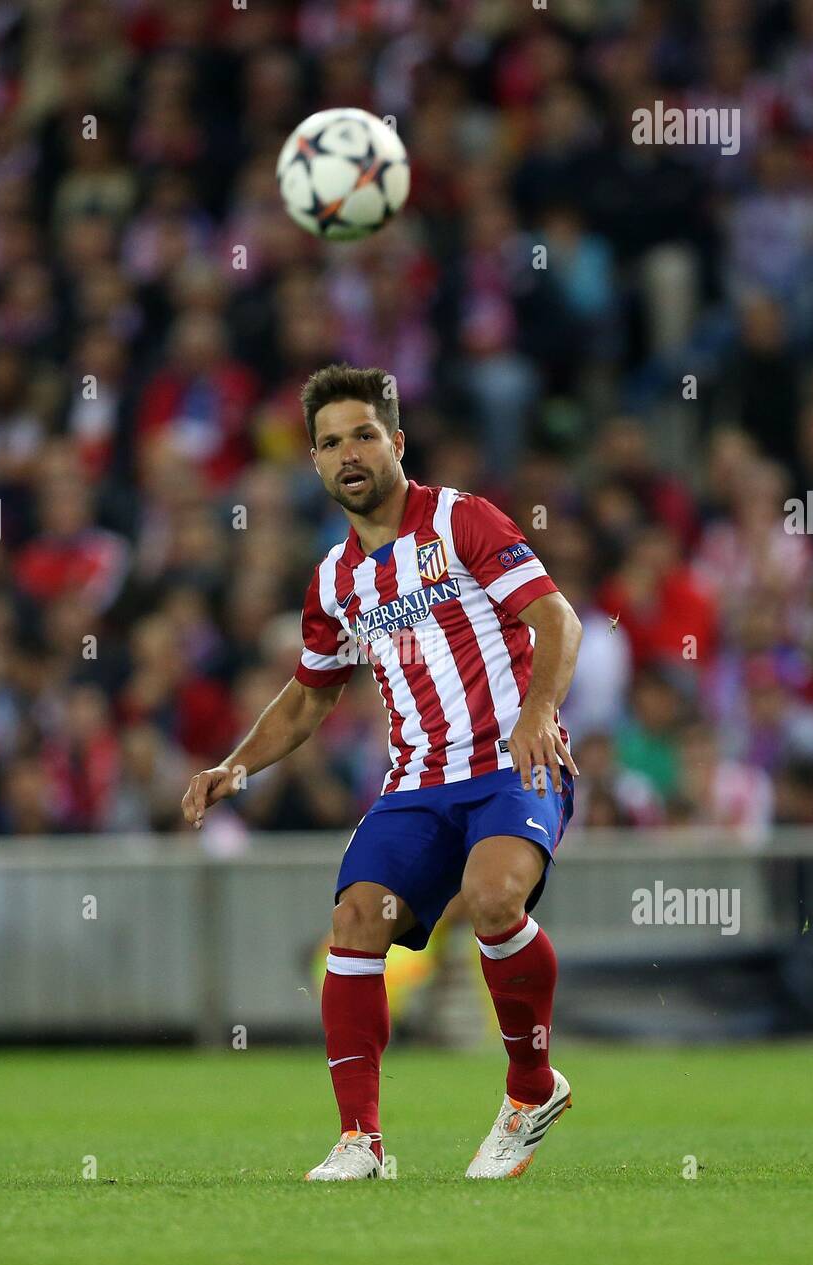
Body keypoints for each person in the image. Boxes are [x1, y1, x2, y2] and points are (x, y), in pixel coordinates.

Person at [182, 363, 582, 1180]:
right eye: (329, 443)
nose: (348, 453)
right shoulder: (333, 581)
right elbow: (307, 698)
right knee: (357, 919)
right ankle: (361, 1141)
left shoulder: (462, 520)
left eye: (363, 434)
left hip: (511, 763)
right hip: (416, 784)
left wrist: (538, 713)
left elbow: (557, 617)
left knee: (495, 895)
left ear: (397, 442)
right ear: (317, 465)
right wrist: (235, 765)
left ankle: (529, 1089)